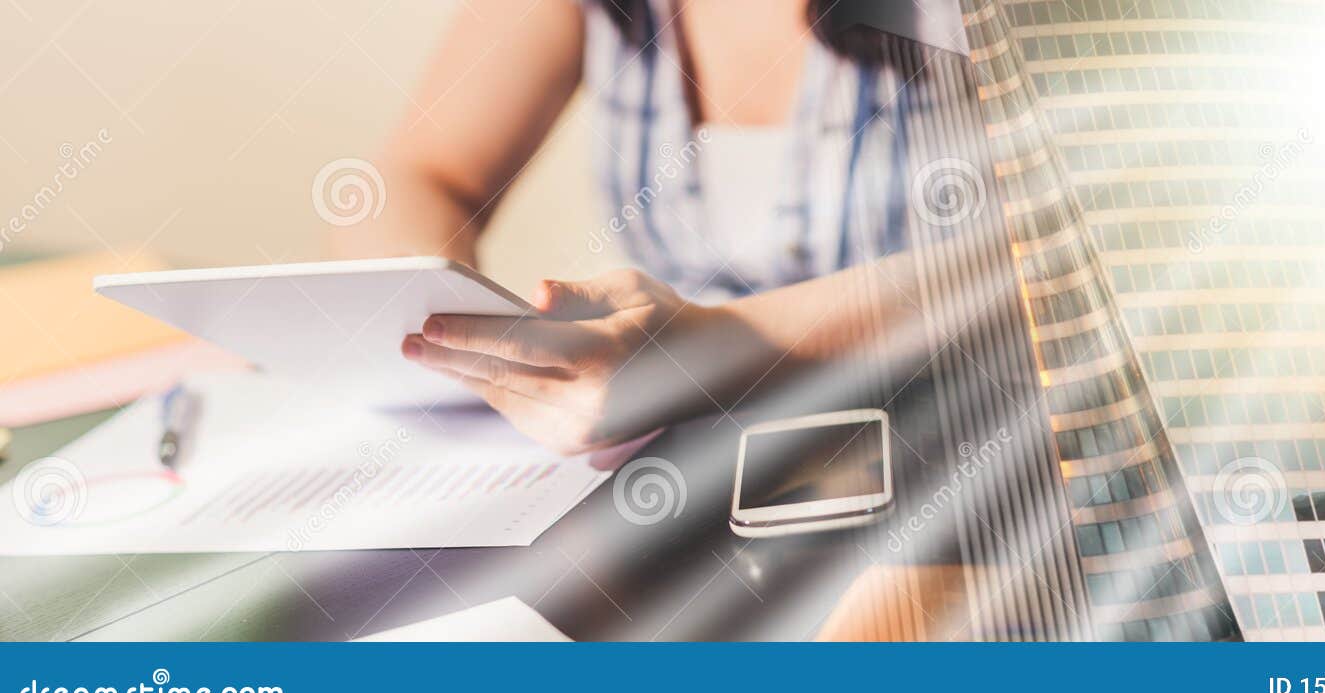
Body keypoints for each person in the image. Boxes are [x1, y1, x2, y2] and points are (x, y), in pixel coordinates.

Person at [333, 0, 948, 454]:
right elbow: (423, 176)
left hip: (955, 445)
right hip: (682, 463)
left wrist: (718, 348)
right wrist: (460, 341)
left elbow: (1034, 251)